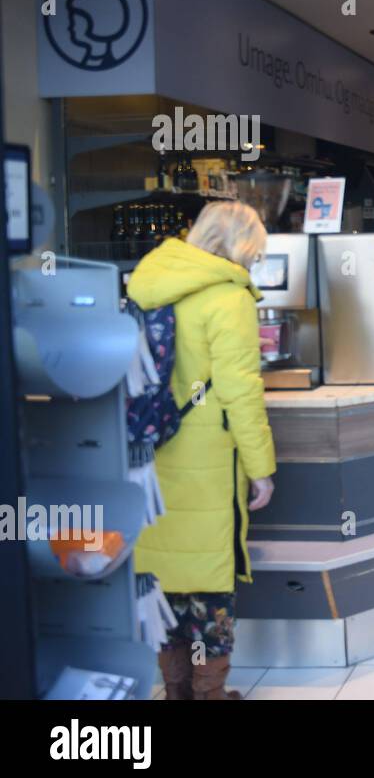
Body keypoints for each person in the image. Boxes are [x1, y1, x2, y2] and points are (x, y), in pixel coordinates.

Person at [126, 201, 276, 700]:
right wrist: (261, 468)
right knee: (208, 590)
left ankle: (175, 693)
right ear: (239, 245)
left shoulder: (147, 281)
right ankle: (209, 696)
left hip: (150, 455)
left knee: (166, 584)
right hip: (207, 460)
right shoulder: (227, 296)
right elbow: (240, 391)